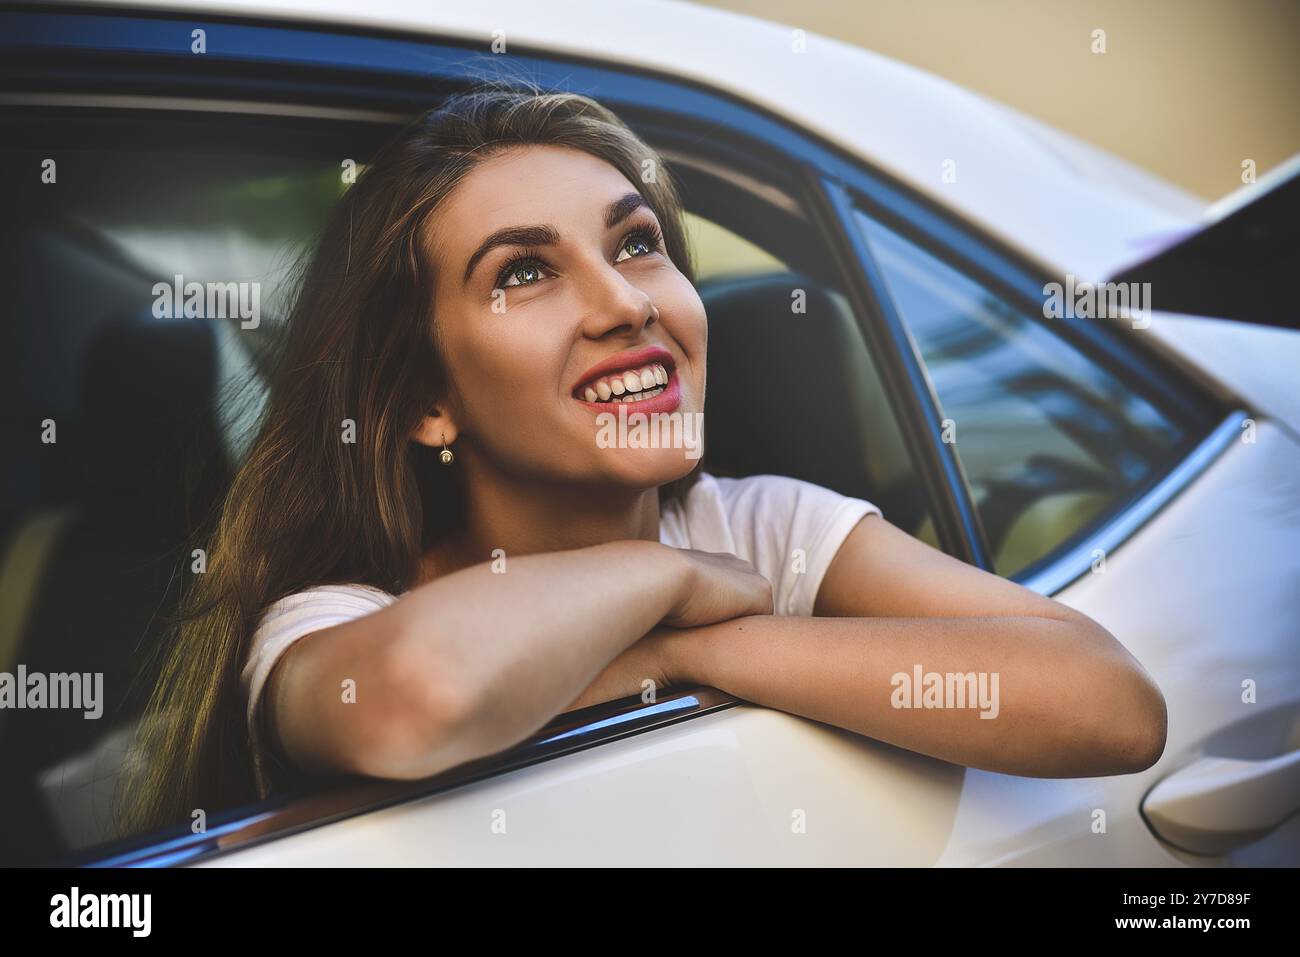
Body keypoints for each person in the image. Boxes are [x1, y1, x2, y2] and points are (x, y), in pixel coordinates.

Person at [122, 82, 1167, 836]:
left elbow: (1110, 705)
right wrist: (665, 581)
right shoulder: (335, 620)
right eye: (524, 272)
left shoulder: (759, 528)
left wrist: (685, 654)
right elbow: (423, 695)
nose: (627, 303)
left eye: (633, 244)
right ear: (425, 402)